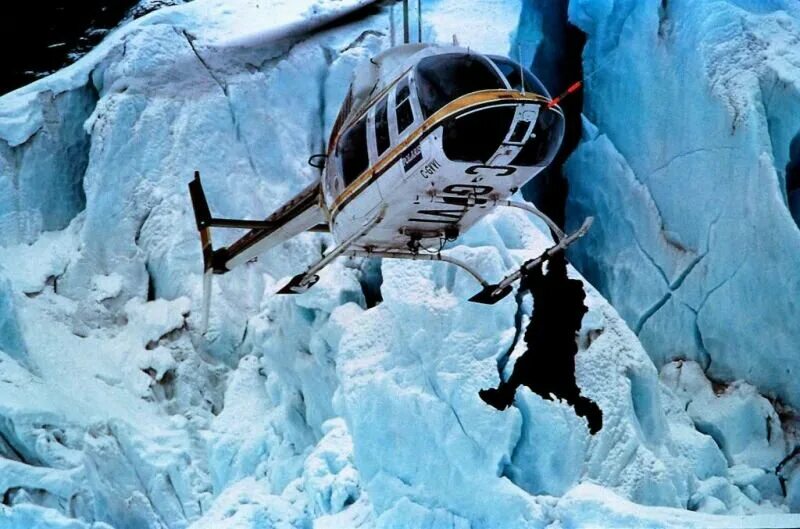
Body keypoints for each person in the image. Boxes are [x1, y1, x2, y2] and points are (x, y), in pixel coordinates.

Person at [479, 252, 603, 434]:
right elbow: (547, 289)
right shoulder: (558, 299)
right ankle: (503, 396)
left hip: (551, 350)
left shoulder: (558, 298)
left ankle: (503, 396)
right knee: (527, 370)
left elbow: (546, 289)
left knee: (526, 369)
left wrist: (538, 268)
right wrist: (542, 267)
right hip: (552, 350)